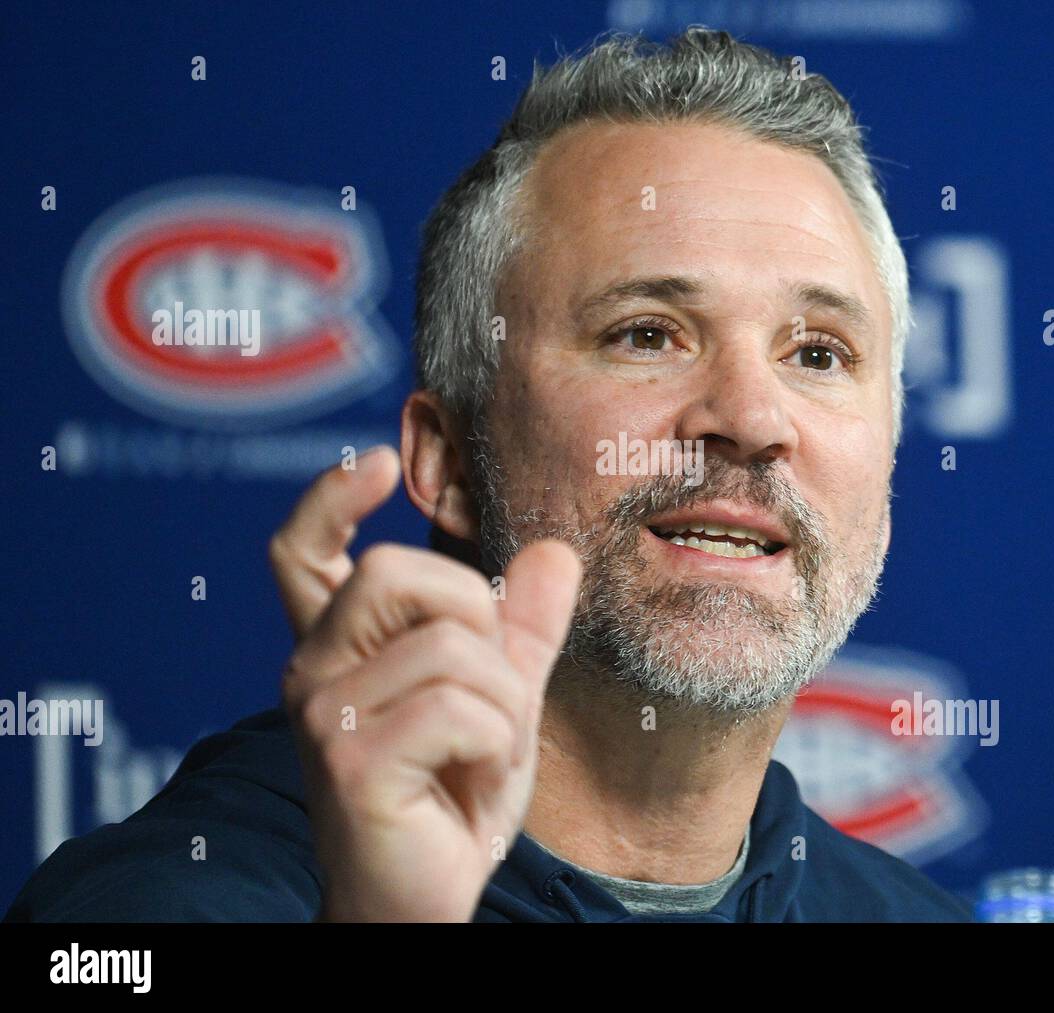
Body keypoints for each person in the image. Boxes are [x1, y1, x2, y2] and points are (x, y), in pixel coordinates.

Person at [6, 27, 972, 923]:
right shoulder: (158, 905)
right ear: (447, 459)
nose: (752, 419)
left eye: (817, 353)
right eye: (646, 333)